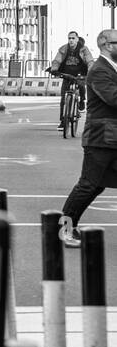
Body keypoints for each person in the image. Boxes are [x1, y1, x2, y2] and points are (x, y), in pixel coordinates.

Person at [59, 29, 117, 246]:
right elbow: (113, 98)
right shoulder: (99, 70)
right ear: (106, 45)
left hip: (112, 138)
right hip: (101, 139)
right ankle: (66, 229)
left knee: (94, 185)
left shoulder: (112, 68)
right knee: (89, 185)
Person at [51, 30, 93, 125]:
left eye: (73, 38)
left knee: (81, 86)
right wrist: (54, 69)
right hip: (67, 75)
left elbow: (90, 61)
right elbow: (57, 60)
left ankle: (82, 101)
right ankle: (63, 121)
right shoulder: (64, 49)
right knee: (63, 99)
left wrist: (90, 71)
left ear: (77, 39)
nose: (71, 40)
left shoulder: (84, 49)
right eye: (69, 38)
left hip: (80, 74)